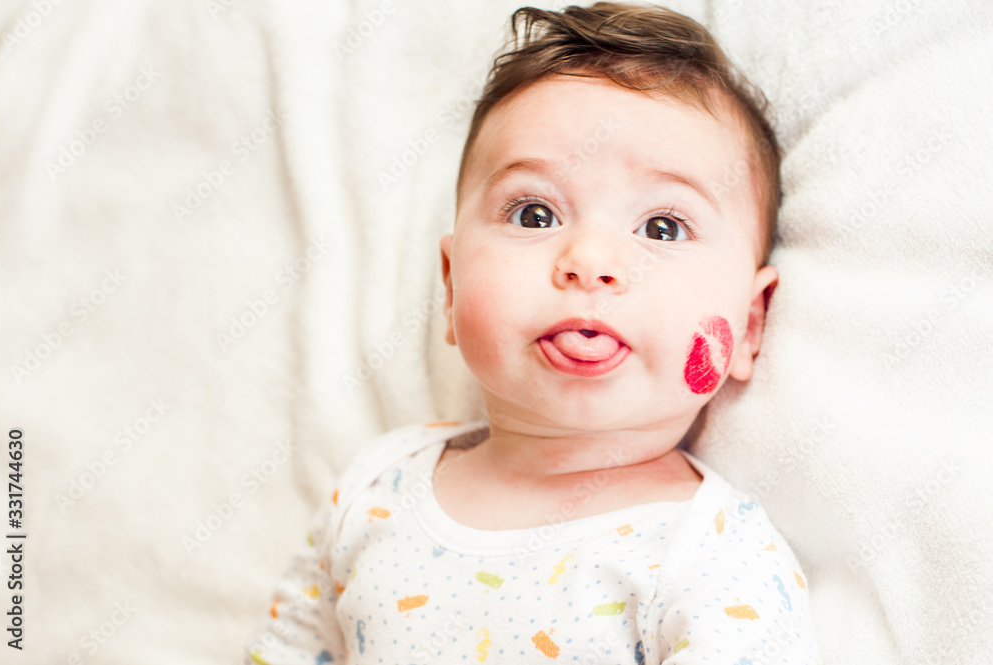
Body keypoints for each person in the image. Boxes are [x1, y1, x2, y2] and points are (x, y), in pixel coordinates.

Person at [245, 3, 817, 662]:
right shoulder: (376, 490)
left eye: (662, 226)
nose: (591, 260)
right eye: (535, 212)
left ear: (748, 325)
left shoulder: (715, 555)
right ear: (452, 285)